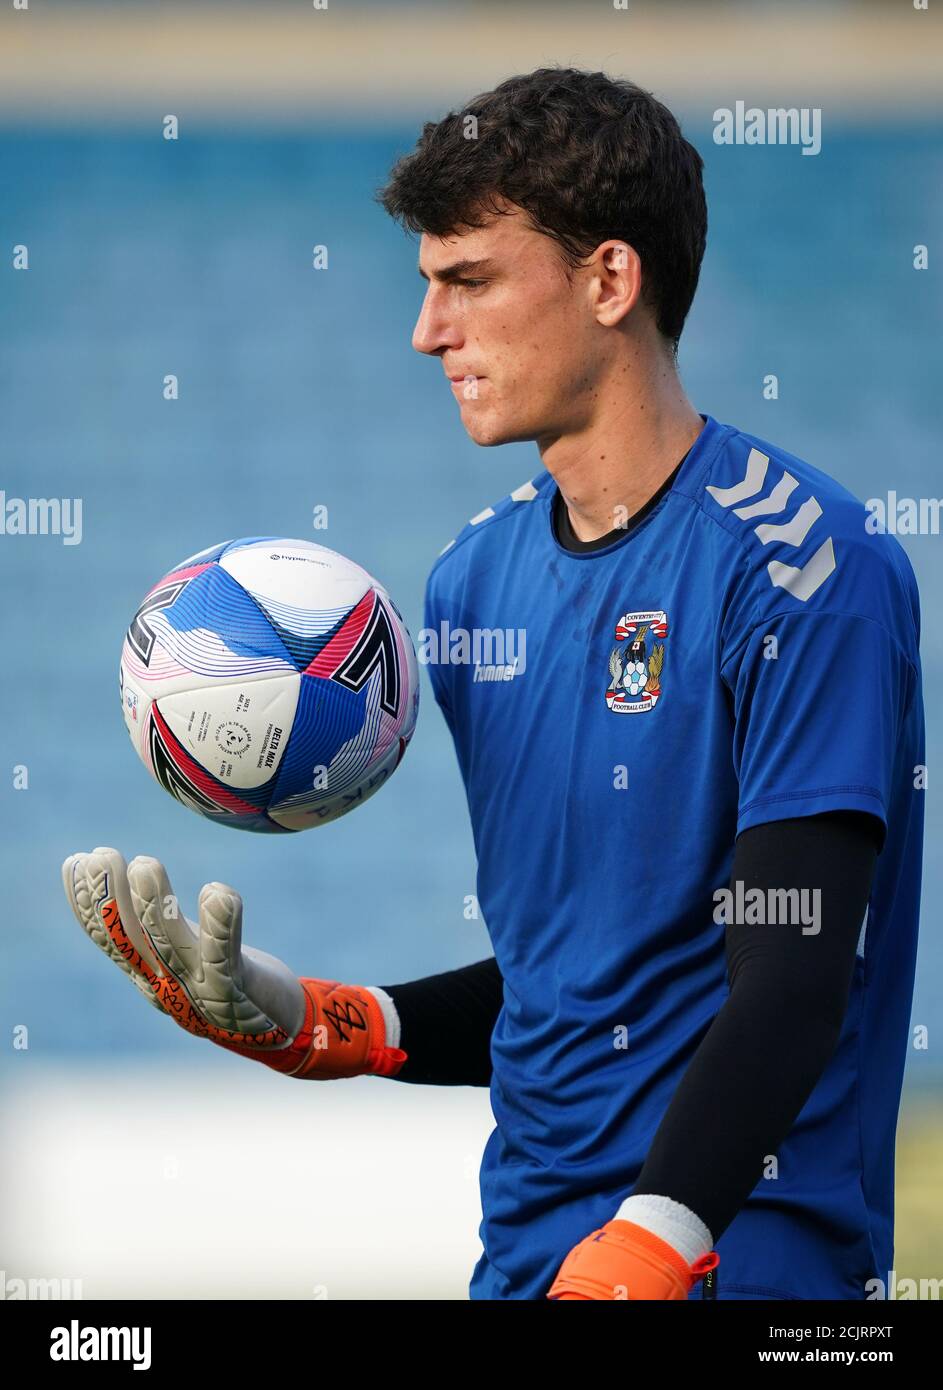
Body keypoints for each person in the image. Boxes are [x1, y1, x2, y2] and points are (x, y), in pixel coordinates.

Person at [63, 67, 924, 1301]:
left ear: (609, 281)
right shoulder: (471, 586)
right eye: (426, 286)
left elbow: (792, 968)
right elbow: (570, 980)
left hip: (739, 1251)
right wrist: (328, 1019)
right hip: (525, 1248)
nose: (428, 331)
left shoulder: (803, 565)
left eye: (467, 280)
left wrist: (655, 1238)